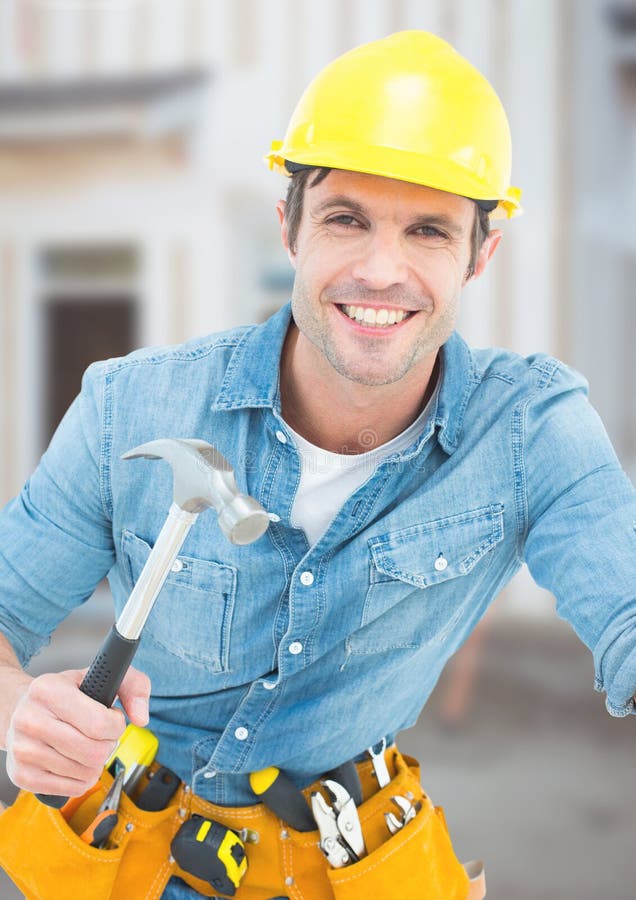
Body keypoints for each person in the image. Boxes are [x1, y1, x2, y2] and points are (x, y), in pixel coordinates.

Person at [0, 30, 634, 900]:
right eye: (347, 218)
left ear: (481, 254)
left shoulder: (528, 432)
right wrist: (17, 709)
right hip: (120, 853)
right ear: (289, 227)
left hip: (350, 864)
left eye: (428, 230)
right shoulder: (130, 409)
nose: (382, 270)